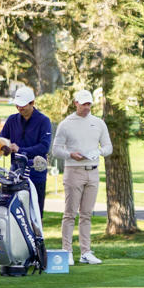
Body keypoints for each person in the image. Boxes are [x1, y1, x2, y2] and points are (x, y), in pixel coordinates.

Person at [52, 89, 112, 265]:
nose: (86, 107)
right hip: (73, 171)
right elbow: (56, 150)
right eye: (83, 104)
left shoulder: (98, 123)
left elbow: (108, 147)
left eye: (89, 104)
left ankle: (85, 252)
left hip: (92, 171)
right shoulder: (66, 124)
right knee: (70, 213)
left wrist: (99, 152)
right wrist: (71, 154)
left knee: (86, 214)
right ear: (75, 103)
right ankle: (67, 251)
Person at [0, 86, 52, 217]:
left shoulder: (44, 121)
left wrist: (20, 150)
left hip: (36, 173)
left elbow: (44, 147)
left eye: (23, 105)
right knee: (13, 212)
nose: (19, 108)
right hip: (15, 172)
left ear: (32, 103)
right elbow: (1, 140)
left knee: (35, 214)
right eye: (17, 105)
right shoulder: (12, 120)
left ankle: (36, 238)